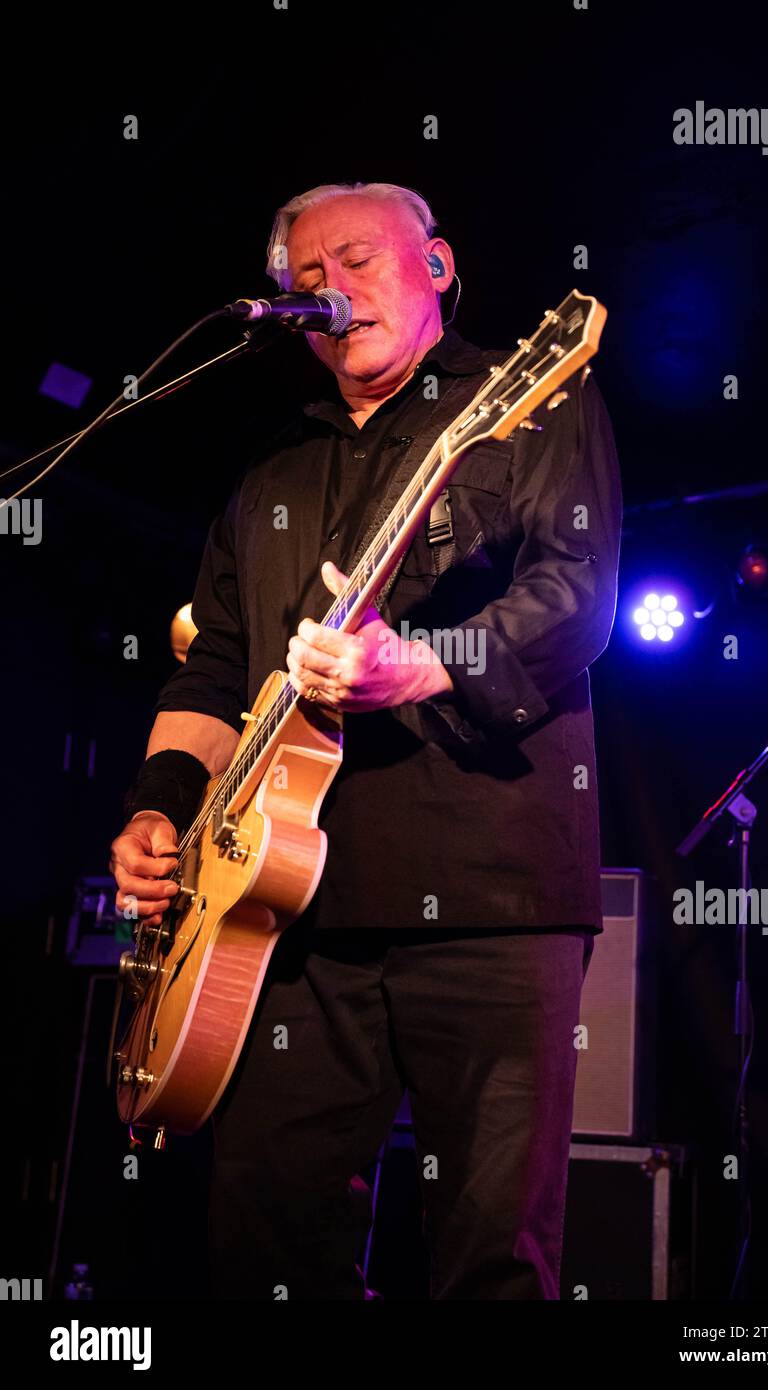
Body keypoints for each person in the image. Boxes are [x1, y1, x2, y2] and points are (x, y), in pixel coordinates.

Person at [110, 181, 622, 1300]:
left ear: (436, 268)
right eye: (305, 282)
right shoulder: (268, 473)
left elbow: (580, 598)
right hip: (283, 915)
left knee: (492, 1254)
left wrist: (421, 664)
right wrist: (156, 807)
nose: (331, 292)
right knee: (265, 1245)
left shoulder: (522, 396)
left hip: (490, 898)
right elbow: (211, 661)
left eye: (358, 261)